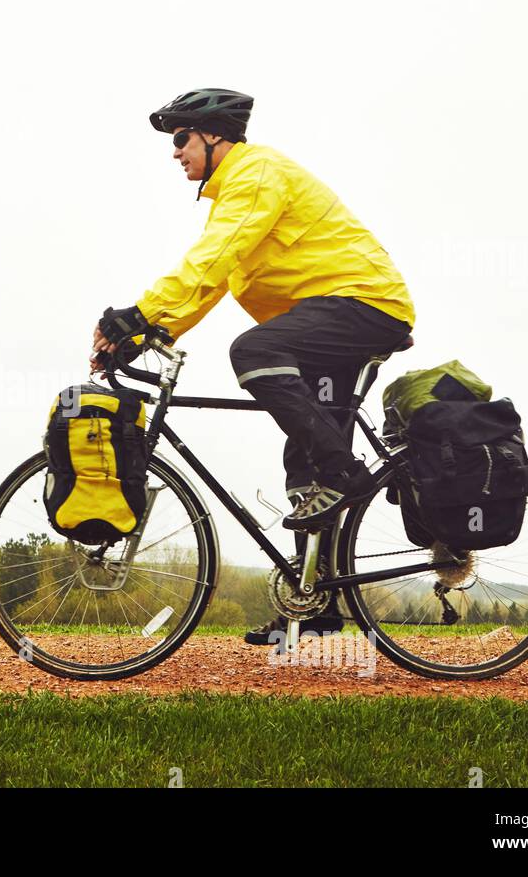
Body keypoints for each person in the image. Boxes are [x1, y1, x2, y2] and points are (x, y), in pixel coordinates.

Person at [91, 88, 415, 644]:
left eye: (180, 138)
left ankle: (348, 475)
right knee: (304, 460)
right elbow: (212, 281)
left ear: (214, 135)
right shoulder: (235, 192)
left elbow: (212, 258)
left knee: (253, 351)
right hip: (334, 321)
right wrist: (149, 332)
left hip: (362, 305)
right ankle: (315, 605)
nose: (175, 153)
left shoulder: (255, 173)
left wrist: (138, 313)